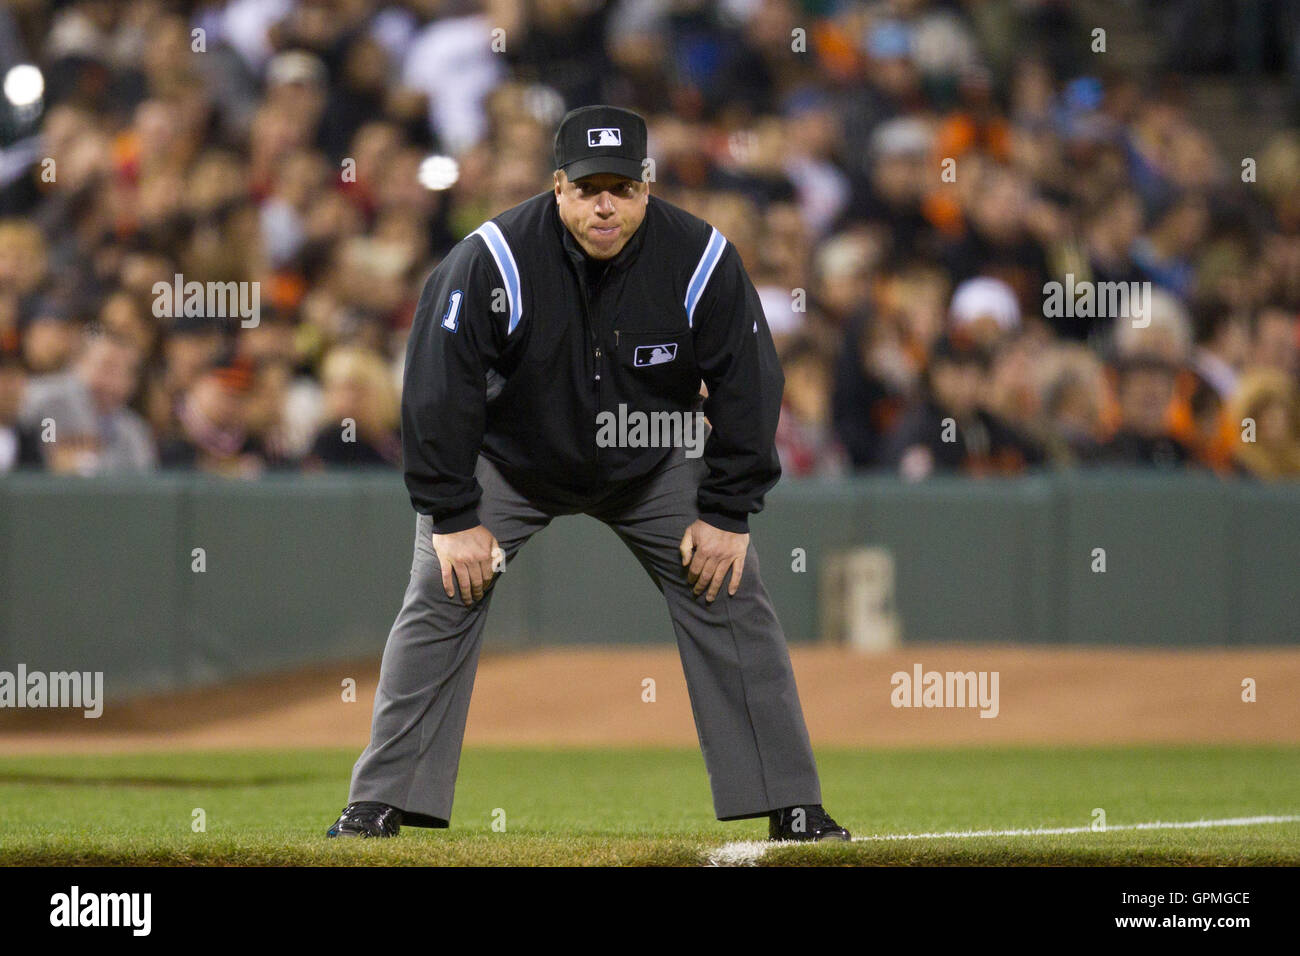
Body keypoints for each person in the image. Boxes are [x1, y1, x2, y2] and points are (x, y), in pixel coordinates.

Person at [327, 105, 849, 842]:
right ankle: (377, 800)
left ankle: (792, 802)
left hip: (654, 459)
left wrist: (729, 511)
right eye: (588, 187)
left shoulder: (699, 258)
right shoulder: (493, 257)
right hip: (511, 462)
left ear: (646, 187)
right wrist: (452, 516)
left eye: (622, 187)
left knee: (731, 588)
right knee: (441, 591)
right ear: (558, 187)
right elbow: (435, 387)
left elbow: (750, 385)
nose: (605, 203)